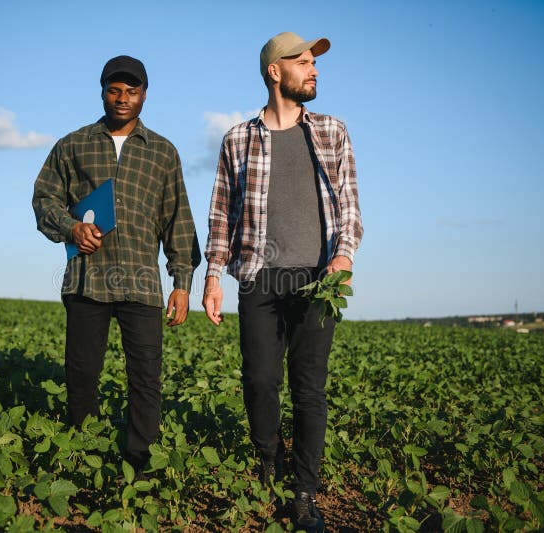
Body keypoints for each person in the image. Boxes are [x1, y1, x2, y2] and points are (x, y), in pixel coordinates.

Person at [202, 32, 363, 530]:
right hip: (259, 277)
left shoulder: (332, 131)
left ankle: (304, 493)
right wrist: (212, 274)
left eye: (316, 64)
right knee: (260, 381)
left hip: (320, 281)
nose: (314, 71)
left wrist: (344, 257)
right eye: (305, 62)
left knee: (309, 388)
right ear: (276, 71)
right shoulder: (238, 139)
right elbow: (221, 215)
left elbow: (350, 204)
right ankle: (268, 463)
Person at [32, 55, 200, 472]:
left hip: (142, 284)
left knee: (145, 379)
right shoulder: (73, 145)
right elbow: (44, 198)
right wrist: (70, 228)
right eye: (115, 90)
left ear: (144, 95)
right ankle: (82, 457)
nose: (123, 98)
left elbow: (177, 218)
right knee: (82, 375)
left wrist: (181, 281)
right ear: (103, 91)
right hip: (88, 280)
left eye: (132, 91)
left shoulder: (162, 152)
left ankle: (140, 463)